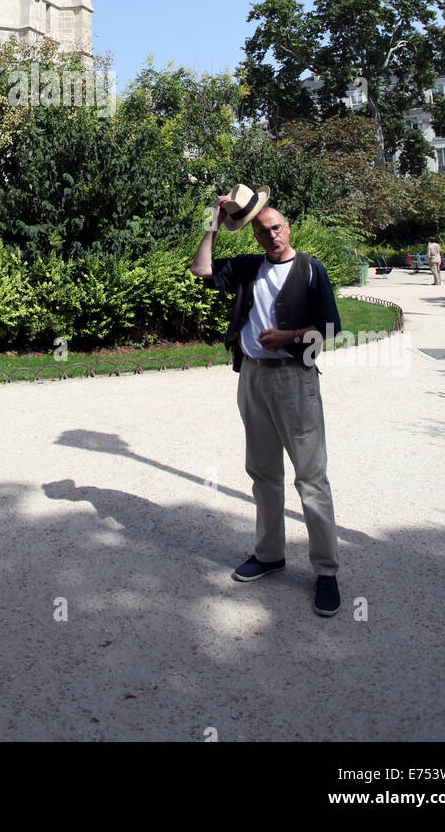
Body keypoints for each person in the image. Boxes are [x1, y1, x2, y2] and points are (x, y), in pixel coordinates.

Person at [190, 184, 342, 617]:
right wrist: (212, 224)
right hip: (253, 379)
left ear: (287, 227)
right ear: (255, 236)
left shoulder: (312, 270)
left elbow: (331, 328)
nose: (272, 236)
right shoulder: (247, 268)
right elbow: (201, 270)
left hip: (296, 380)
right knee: (263, 473)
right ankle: (270, 555)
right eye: (263, 231)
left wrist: (288, 337)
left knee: (311, 479)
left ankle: (326, 571)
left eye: (277, 228)